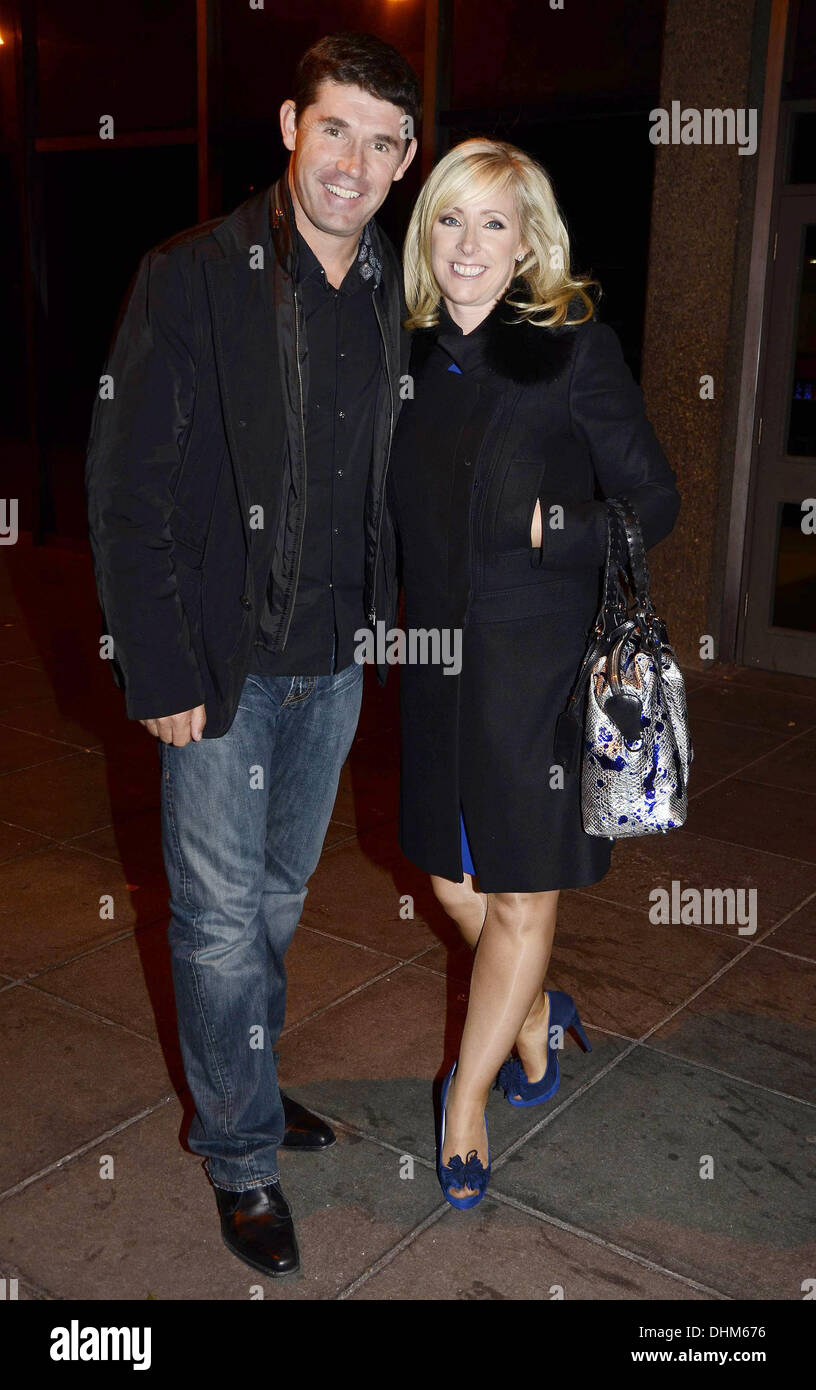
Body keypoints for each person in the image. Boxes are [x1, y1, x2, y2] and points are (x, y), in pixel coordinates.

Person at [85, 32, 419, 1276]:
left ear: (405, 159)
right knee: (222, 924)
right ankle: (238, 1151)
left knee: (276, 908)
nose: (353, 162)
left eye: (382, 141)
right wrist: (156, 665)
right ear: (290, 125)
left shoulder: (400, 286)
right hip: (219, 669)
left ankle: (248, 1079)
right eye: (334, 129)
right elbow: (126, 489)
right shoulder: (193, 276)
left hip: (332, 662)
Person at [387, 138, 681, 1207]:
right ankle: (538, 1009)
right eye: (450, 220)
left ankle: (468, 1102)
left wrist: (560, 528)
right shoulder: (407, 354)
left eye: (493, 224)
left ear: (528, 245)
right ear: (429, 235)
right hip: (433, 669)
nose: (469, 244)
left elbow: (654, 499)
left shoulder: (571, 349)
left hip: (538, 670)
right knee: (451, 881)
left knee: (518, 893)